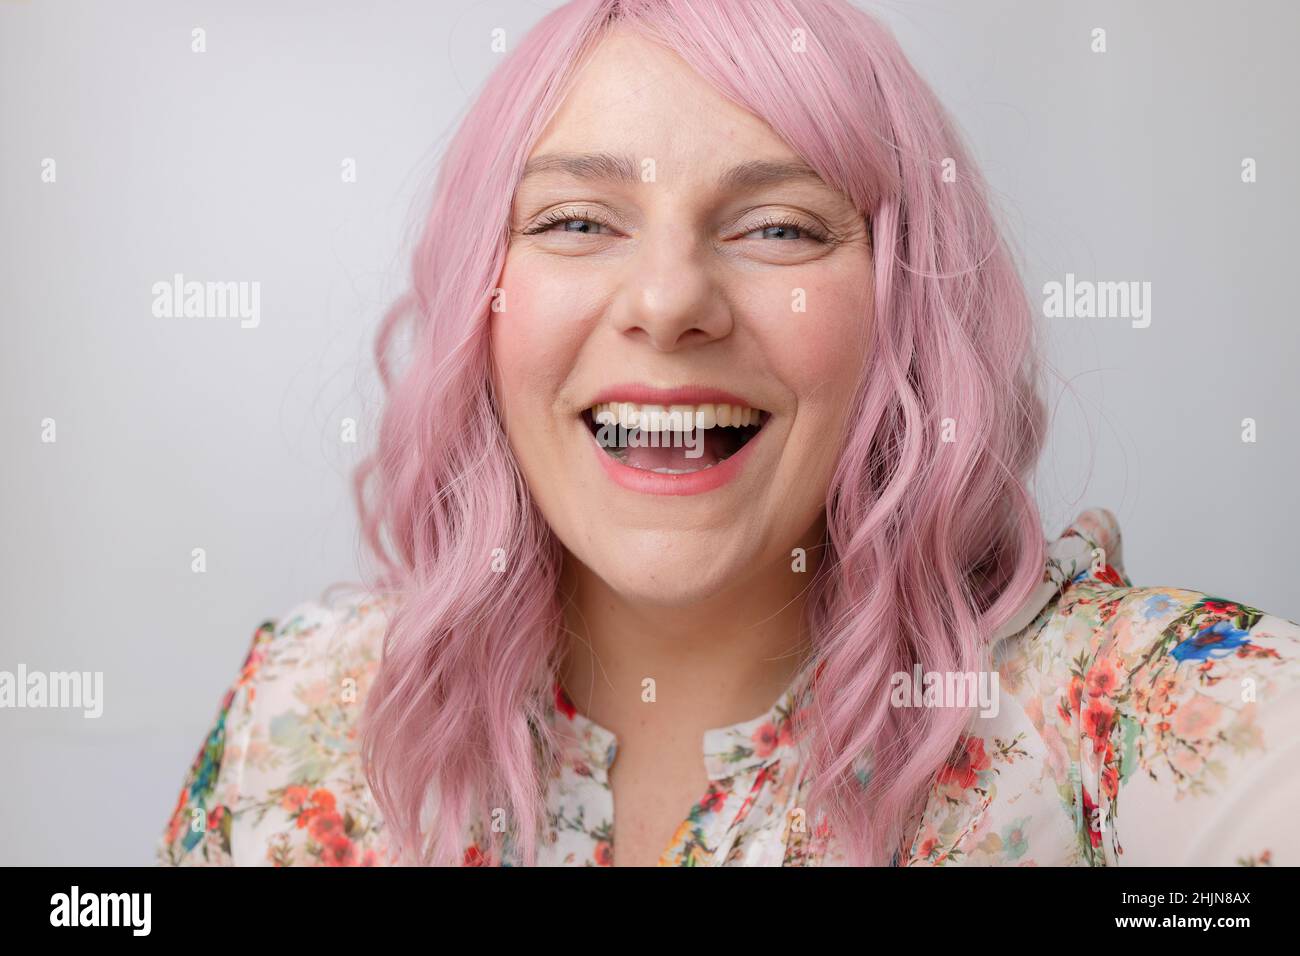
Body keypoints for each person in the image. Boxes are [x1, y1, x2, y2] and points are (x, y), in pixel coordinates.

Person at [156, 0, 1300, 867]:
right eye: (575, 219)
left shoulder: (1153, 718)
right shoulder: (296, 713)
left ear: (904, 312)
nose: (667, 300)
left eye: (777, 226)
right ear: (483, 300)